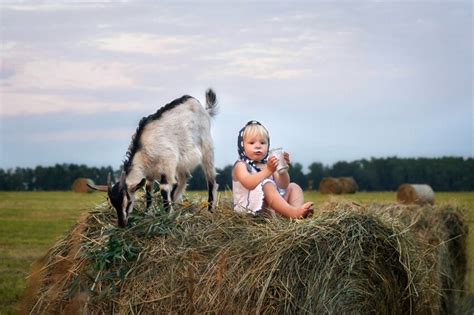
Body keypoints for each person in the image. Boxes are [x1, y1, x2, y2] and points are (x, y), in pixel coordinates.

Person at [232, 120, 314, 218]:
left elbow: (283, 185)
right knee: (267, 184)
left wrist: (282, 170)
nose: (258, 146)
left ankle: (296, 214)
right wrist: (268, 171)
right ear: (242, 146)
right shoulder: (241, 165)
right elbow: (249, 183)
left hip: (271, 209)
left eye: (263, 143)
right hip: (250, 210)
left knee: (293, 186)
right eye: (252, 142)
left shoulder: (268, 164)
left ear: (268, 145)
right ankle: (293, 213)